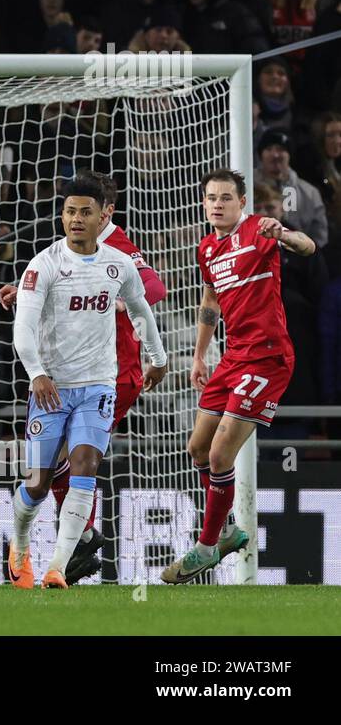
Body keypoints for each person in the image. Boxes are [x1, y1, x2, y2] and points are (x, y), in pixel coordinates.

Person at [0, 171, 168, 583]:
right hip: (53, 387)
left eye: (84, 212)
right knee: (38, 483)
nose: (76, 219)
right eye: (69, 211)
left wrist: (158, 356)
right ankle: (20, 545)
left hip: (100, 384)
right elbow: (23, 328)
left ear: (101, 218)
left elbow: (143, 306)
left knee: (85, 467)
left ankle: (58, 566)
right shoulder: (44, 265)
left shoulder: (119, 263)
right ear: (62, 215)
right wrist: (37, 373)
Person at [162, 169, 316, 584]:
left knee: (219, 455)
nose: (217, 204)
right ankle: (228, 529)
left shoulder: (257, 230)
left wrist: (283, 234)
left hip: (268, 359)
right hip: (232, 358)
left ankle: (207, 546)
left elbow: (308, 245)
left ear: (241, 202)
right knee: (197, 449)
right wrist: (198, 355)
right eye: (211, 197)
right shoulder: (207, 247)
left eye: (226, 198)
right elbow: (210, 299)